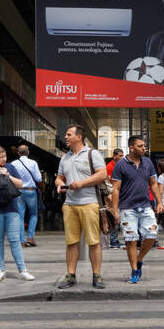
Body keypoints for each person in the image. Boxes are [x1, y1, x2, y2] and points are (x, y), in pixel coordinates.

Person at [55, 124, 108, 289]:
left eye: (68, 134)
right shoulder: (65, 158)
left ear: (79, 137)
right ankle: (70, 275)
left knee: (94, 241)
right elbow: (59, 177)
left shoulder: (93, 154)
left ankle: (97, 275)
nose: (65, 137)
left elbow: (102, 174)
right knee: (71, 242)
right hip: (70, 204)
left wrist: (81, 184)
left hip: (90, 203)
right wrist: (59, 184)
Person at [111, 135, 164, 283]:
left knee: (152, 235)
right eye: (140, 146)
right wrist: (115, 211)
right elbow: (115, 189)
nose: (144, 148)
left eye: (144, 146)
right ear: (132, 147)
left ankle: (139, 259)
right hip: (127, 208)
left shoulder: (147, 162)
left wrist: (159, 202)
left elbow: (154, 183)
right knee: (131, 240)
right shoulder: (120, 165)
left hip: (146, 206)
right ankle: (134, 269)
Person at [0, 144, 32, 281]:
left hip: (11, 207)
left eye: (5, 156)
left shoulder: (10, 167)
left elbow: (20, 184)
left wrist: (7, 174)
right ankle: (0, 269)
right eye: (0, 157)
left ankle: (22, 269)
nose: (4, 159)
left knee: (14, 239)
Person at [11, 144, 43, 247]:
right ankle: (30, 237)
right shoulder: (33, 163)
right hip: (30, 191)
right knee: (33, 214)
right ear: (28, 152)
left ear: (18, 153)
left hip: (18, 191)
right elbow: (39, 179)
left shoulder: (13, 164)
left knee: (20, 216)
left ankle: (22, 241)